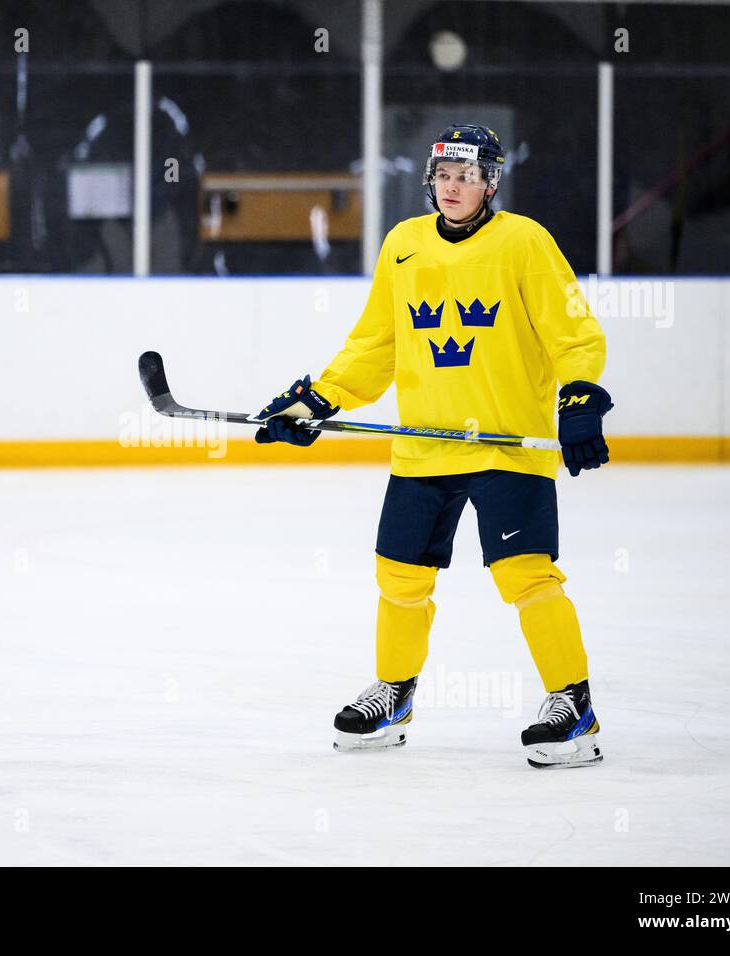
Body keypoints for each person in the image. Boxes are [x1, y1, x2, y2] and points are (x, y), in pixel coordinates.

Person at [255, 125, 611, 768]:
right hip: (423, 446)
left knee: (527, 577)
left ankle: (573, 705)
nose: (453, 187)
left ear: (490, 183)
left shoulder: (524, 242)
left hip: (504, 446)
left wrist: (580, 397)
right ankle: (394, 694)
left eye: (467, 177)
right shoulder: (403, 245)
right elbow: (375, 348)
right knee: (399, 577)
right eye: (444, 175)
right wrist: (316, 400)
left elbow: (573, 332)